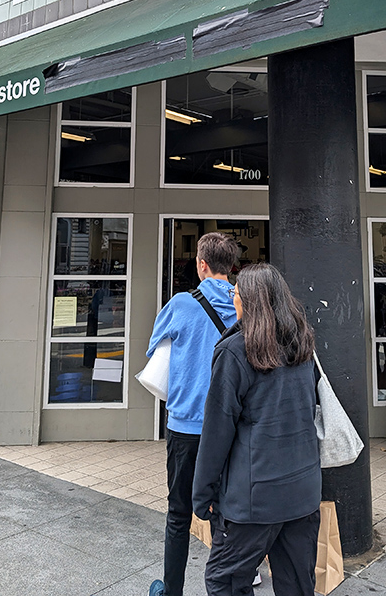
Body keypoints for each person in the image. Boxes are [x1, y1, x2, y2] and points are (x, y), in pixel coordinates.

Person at [192, 263, 321, 596]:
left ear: (247, 301)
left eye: (236, 292)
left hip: (254, 498)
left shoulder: (234, 352)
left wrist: (202, 492)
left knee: (224, 580)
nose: (233, 297)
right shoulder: (303, 345)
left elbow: (216, 430)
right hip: (303, 492)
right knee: (298, 584)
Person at [147, 232, 239, 596]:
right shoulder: (244, 303)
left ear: (202, 265)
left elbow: (154, 349)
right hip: (229, 428)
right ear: (231, 266)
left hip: (185, 426)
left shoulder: (182, 304)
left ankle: (171, 591)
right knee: (225, 511)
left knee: (178, 514)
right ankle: (228, 585)